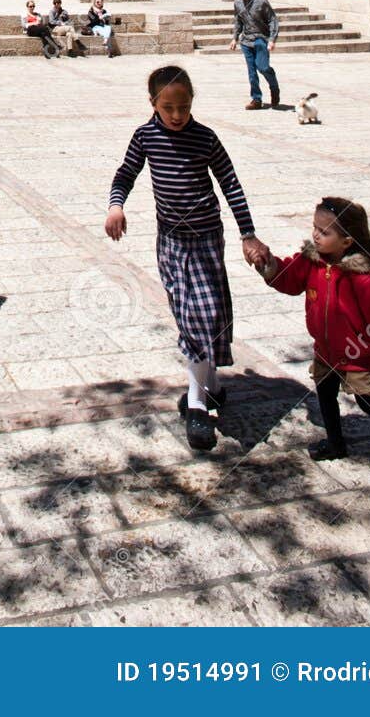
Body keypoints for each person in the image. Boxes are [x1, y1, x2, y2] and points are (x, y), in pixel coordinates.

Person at [104, 65, 268, 453]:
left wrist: (248, 234)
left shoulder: (205, 138)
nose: (177, 115)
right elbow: (125, 173)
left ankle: (198, 401)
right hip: (172, 243)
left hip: (207, 239)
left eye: (184, 106)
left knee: (207, 314)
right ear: (153, 104)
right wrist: (116, 206)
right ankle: (206, 389)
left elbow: (230, 184)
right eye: (168, 107)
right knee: (191, 316)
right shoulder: (145, 137)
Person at [252, 196, 370, 466]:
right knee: (325, 395)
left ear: (347, 241)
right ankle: (336, 443)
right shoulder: (311, 262)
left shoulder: (362, 278)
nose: (316, 235)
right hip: (327, 351)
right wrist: (268, 264)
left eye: (324, 232)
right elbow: (289, 279)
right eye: (315, 228)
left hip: (357, 354)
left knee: (367, 402)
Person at [230, 0, 280, 109]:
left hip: (260, 39)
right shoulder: (237, 2)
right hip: (246, 40)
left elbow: (272, 20)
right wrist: (235, 38)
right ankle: (256, 99)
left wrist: (272, 39)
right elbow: (238, 21)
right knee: (252, 72)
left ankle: (274, 88)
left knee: (263, 67)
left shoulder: (261, 1)